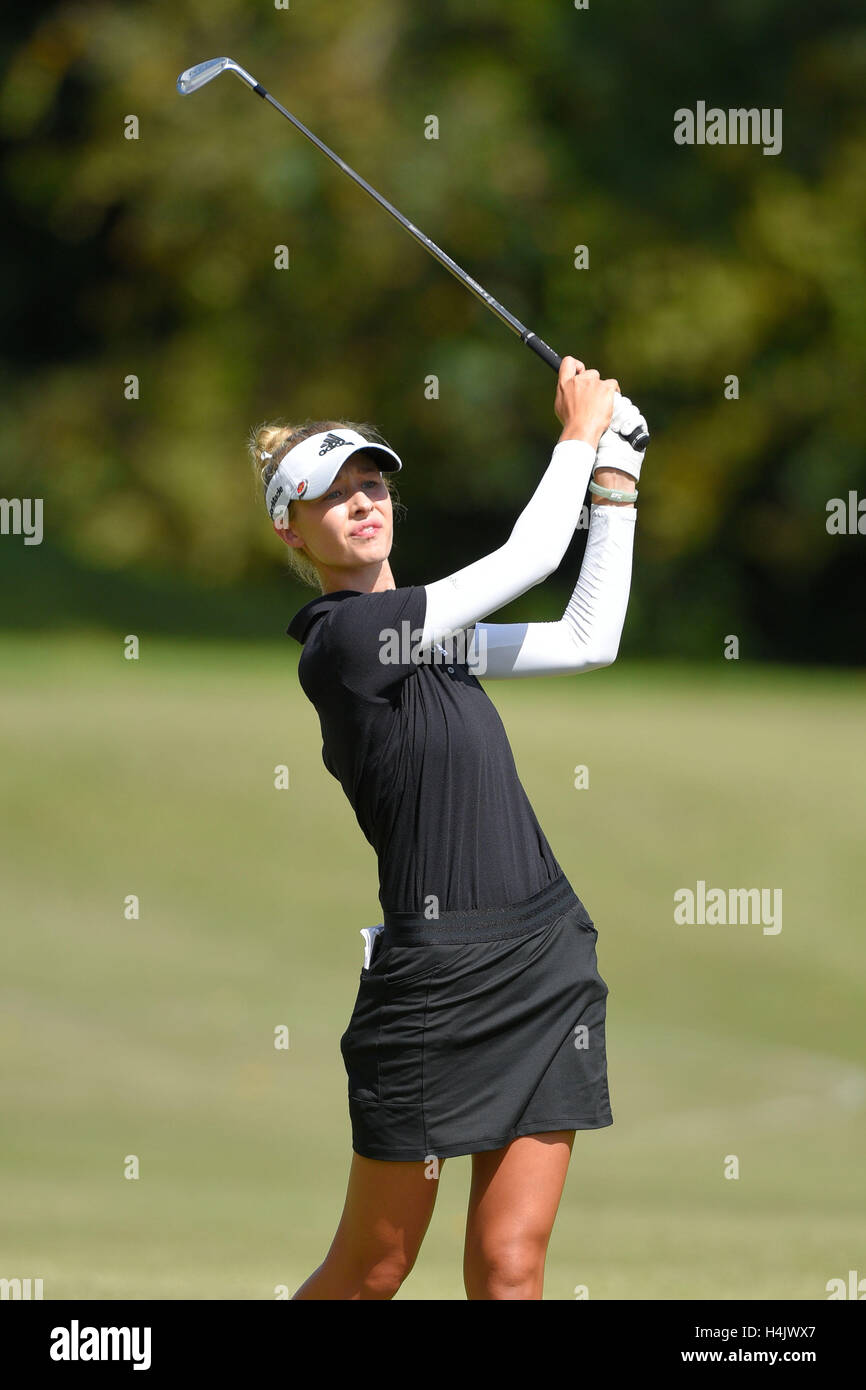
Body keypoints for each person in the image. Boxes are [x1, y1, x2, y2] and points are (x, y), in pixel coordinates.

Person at [250, 356, 647, 1300]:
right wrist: (579, 435)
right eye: (331, 495)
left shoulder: (436, 638)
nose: (361, 504)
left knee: (512, 1268)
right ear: (290, 527)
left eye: (373, 484)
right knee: (375, 1267)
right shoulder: (345, 645)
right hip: (434, 984)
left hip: (543, 959)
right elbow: (527, 562)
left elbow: (589, 638)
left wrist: (618, 492)